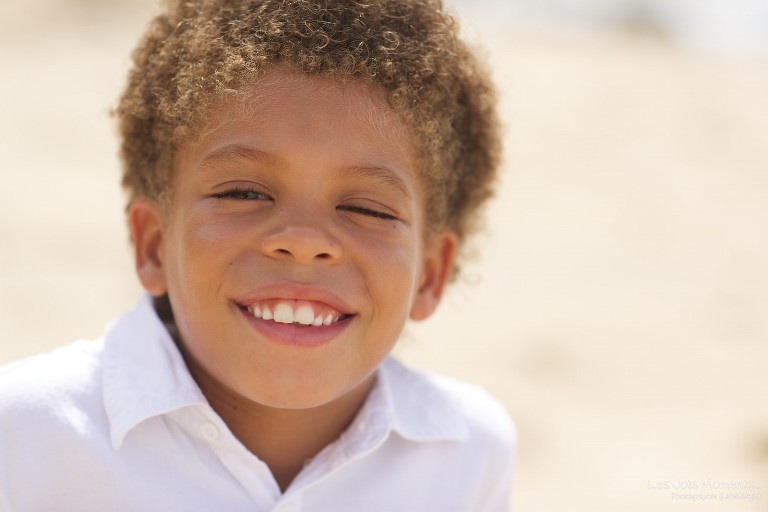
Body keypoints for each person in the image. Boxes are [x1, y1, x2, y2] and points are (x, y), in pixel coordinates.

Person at [0, 0, 515, 510]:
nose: (305, 240)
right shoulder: (26, 436)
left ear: (430, 274)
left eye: (365, 208)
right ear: (154, 243)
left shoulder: (468, 459)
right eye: (244, 193)